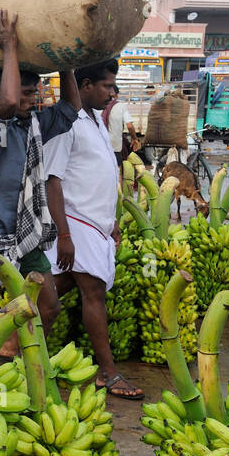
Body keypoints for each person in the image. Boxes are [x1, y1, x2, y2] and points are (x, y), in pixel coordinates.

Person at [0, 9, 81, 357]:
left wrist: (68, 62)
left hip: (27, 231)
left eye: (36, 92)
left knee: (49, 306)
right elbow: (10, 101)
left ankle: (10, 352)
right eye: (27, 92)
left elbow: (71, 108)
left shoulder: (34, 124)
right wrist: (10, 46)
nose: (32, 98)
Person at [45, 59, 141, 399]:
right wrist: (64, 235)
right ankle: (109, 373)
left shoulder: (96, 122)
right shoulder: (66, 124)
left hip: (95, 224)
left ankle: (10, 349)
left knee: (51, 293)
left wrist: (112, 221)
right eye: (106, 86)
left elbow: (98, 174)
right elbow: (52, 180)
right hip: (74, 222)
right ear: (84, 85)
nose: (111, 92)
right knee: (94, 292)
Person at [106, 85, 140, 166]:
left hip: (100, 147)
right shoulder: (120, 106)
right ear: (117, 95)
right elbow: (129, 126)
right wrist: (134, 139)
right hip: (115, 147)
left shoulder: (97, 106)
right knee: (116, 171)